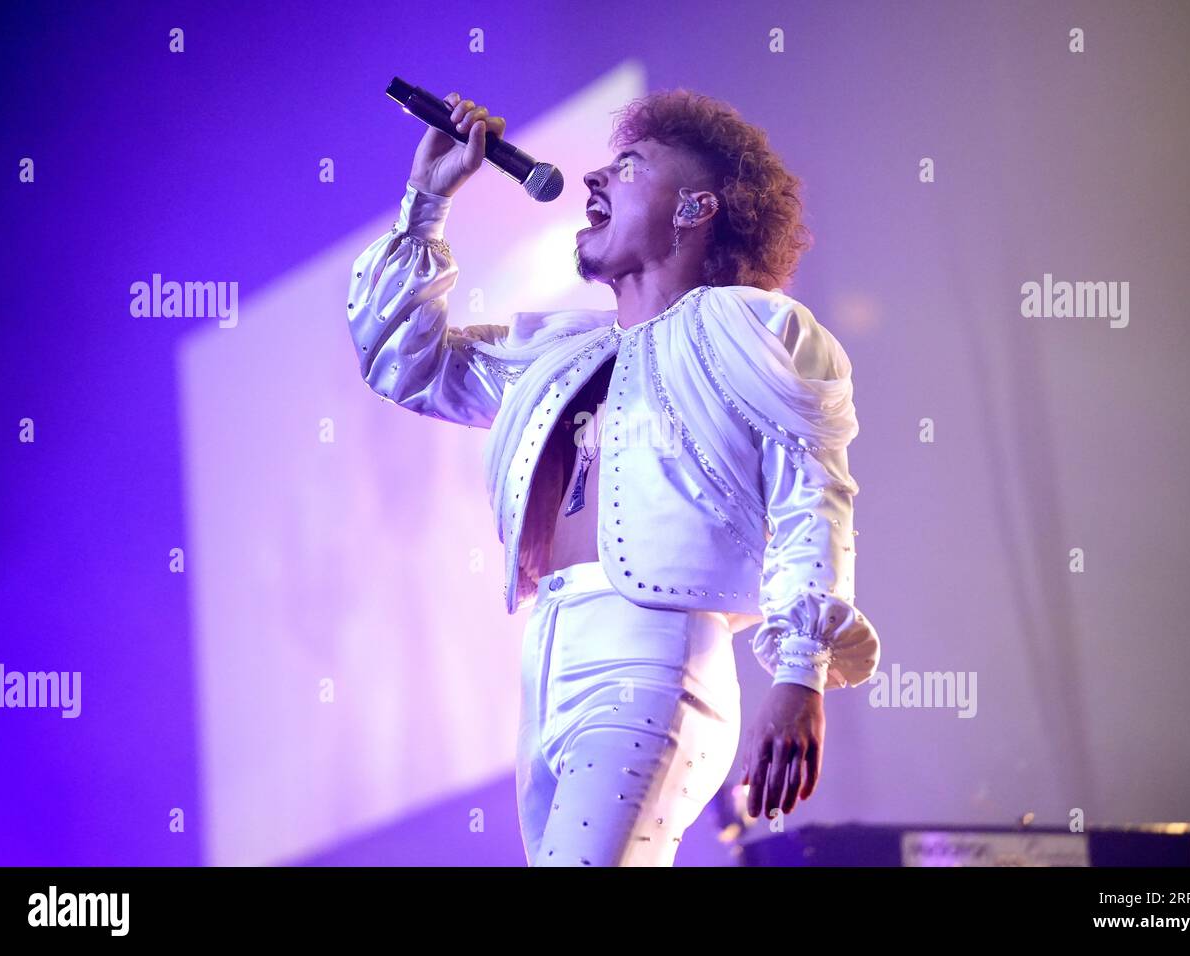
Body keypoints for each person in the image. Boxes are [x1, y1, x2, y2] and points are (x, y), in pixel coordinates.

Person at [346, 88, 881, 866]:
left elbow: (813, 497)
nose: (595, 180)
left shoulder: (756, 328)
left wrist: (801, 672)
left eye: (628, 167)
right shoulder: (561, 353)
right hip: (546, 667)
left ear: (696, 209)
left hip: (654, 657)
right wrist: (426, 202)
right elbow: (407, 361)